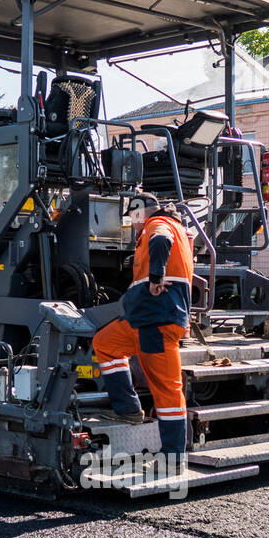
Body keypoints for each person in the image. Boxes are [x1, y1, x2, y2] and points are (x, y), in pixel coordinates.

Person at [92, 193, 194, 458]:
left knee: (167, 390)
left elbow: (162, 240)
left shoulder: (158, 225)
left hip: (156, 321)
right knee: (105, 343)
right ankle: (127, 408)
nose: (134, 223)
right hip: (142, 319)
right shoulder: (169, 226)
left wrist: (156, 277)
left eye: (134, 216)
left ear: (143, 211)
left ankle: (173, 456)